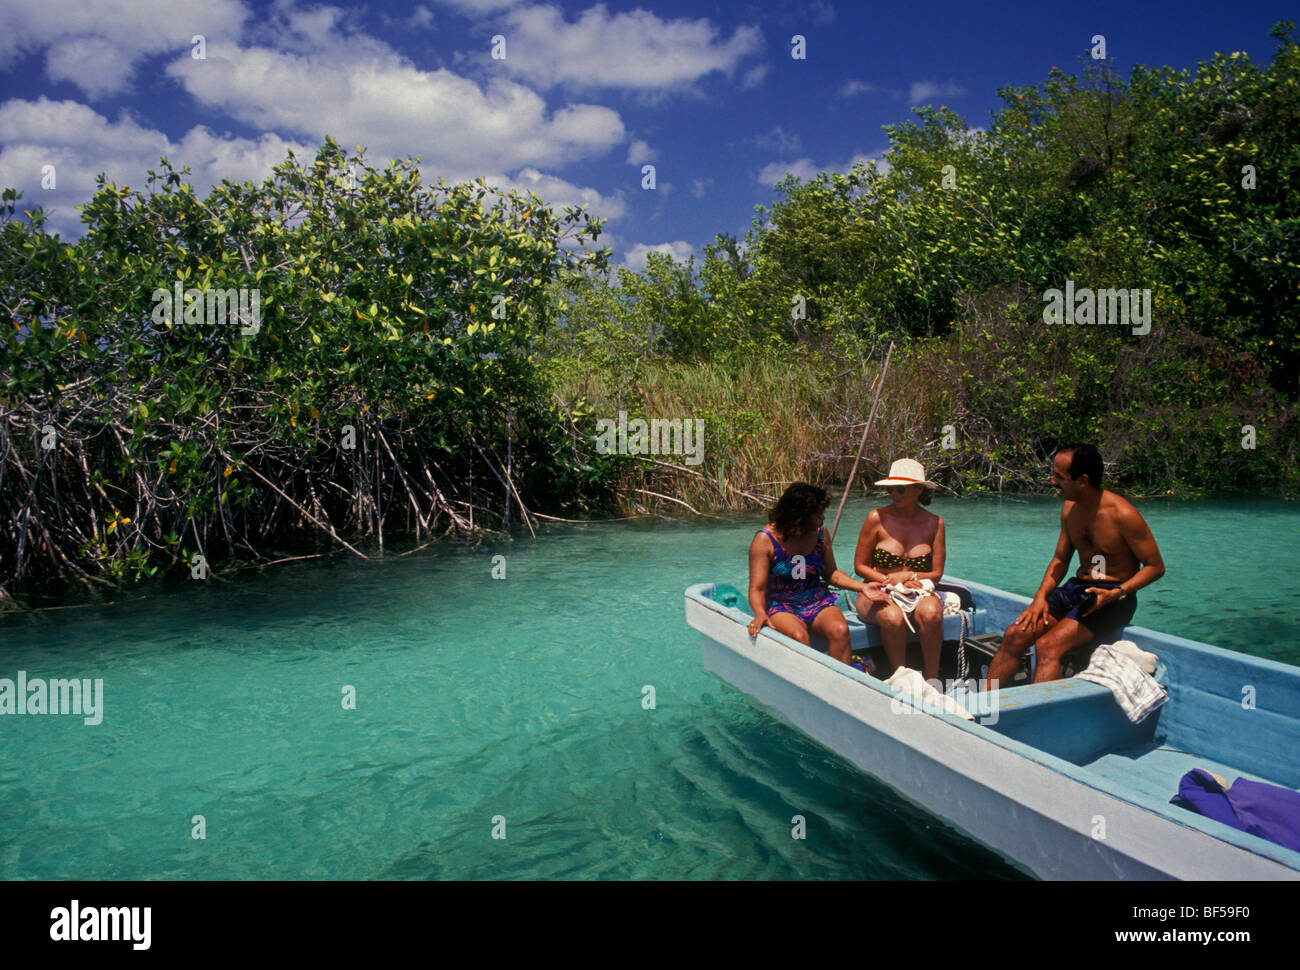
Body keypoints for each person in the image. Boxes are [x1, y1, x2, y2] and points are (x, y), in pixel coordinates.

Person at [987, 443, 1165, 685]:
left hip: (1111, 598)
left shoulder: (1123, 515)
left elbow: (1155, 566)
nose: (1052, 482)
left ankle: (1042, 719)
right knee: (1014, 635)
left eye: (1059, 477)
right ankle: (984, 708)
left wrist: (1116, 594)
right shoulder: (1070, 508)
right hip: (1076, 589)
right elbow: (1061, 559)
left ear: (1082, 480)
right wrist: (1040, 597)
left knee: (1048, 646)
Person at [747, 482, 868, 665]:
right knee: (799, 636)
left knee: (840, 630)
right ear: (799, 517)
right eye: (818, 515)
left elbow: (831, 573)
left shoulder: (820, 532)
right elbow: (757, 588)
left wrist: (863, 587)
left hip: (816, 599)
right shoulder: (765, 540)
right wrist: (759, 613)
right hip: (781, 604)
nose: (822, 520)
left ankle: (839, 686)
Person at [851, 459, 947, 681]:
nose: (894, 494)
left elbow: (936, 573)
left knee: (932, 613)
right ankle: (901, 678)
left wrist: (909, 576)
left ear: (918, 489)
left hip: (916, 590)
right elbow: (860, 566)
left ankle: (932, 679)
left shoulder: (935, 523)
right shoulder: (876, 518)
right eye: (891, 489)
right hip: (877, 588)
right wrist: (890, 580)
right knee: (893, 617)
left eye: (901, 489)